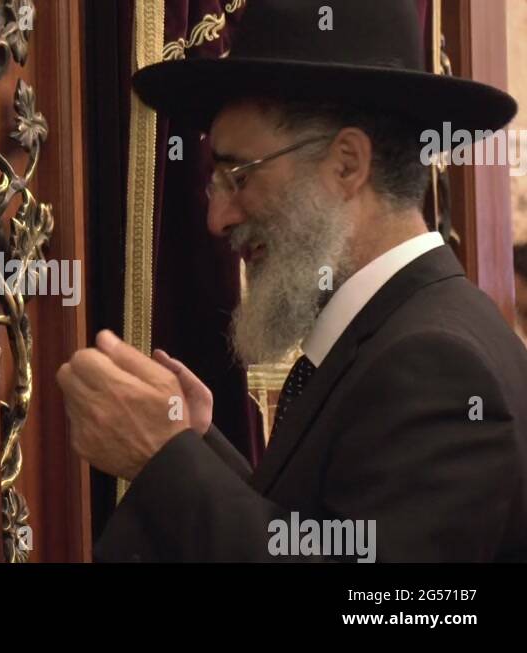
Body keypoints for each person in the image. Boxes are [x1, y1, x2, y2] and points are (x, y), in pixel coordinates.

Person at [57, 0, 527, 562]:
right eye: (216, 183)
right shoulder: (401, 330)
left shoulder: (437, 363)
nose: (219, 218)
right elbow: (319, 535)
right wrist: (198, 442)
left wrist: (162, 457)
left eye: (239, 175)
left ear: (348, 164)